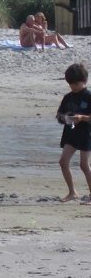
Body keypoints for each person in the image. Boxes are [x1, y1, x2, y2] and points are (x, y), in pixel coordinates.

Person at [56, 63, 91, 203]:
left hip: (86, 134)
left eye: (76, 84)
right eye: (70, 84)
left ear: (84, 81)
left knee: (84, 165)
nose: (73, 87)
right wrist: (65, 118)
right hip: (71, 133)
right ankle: (72, 192)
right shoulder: (68, 97)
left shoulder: (88, 96)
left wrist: (82, 118)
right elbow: (58, 115)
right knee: (63, 162)